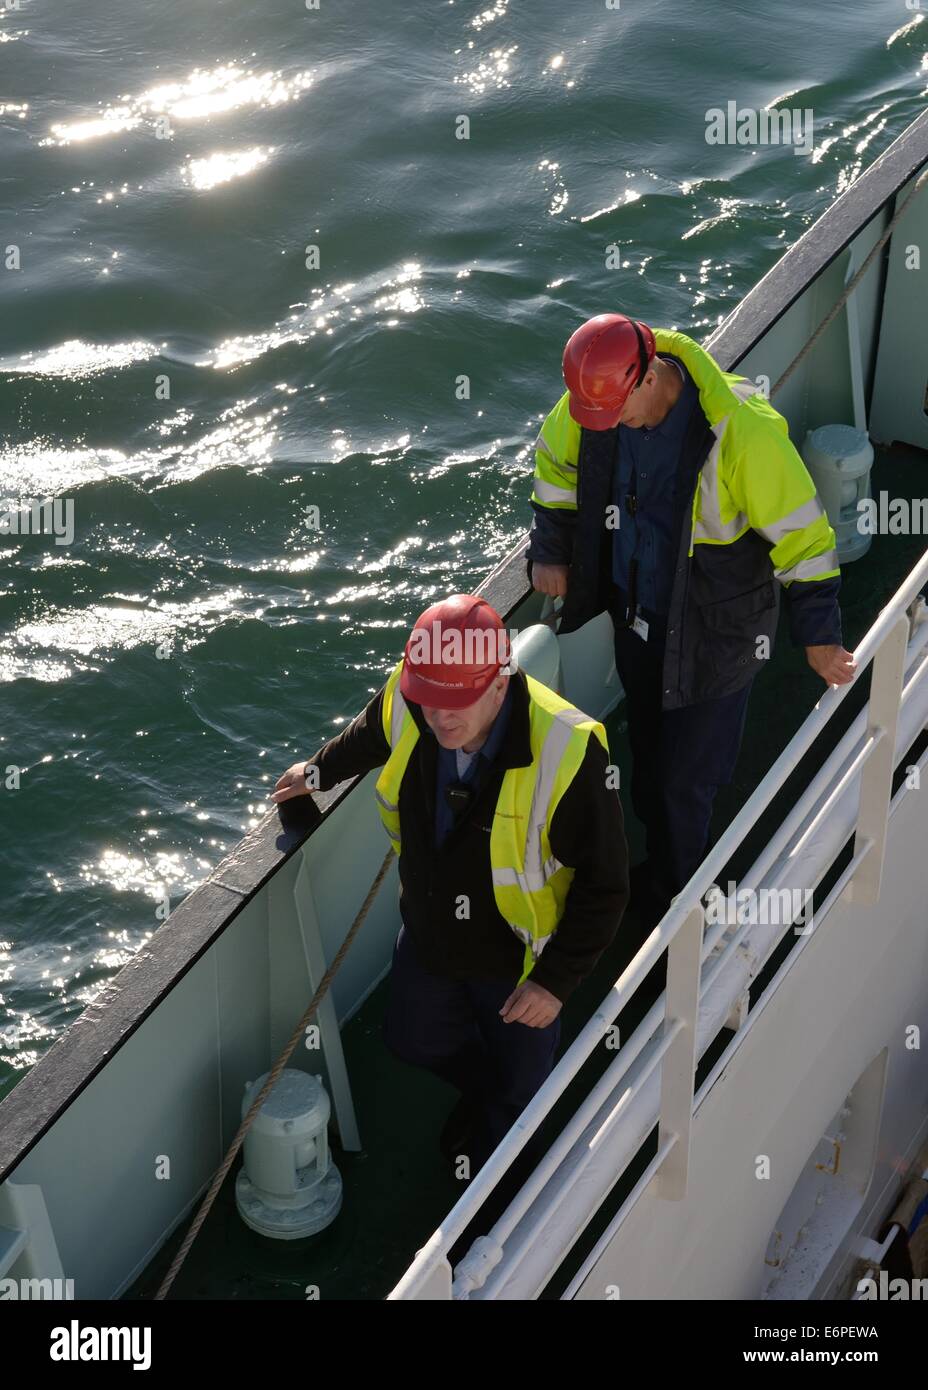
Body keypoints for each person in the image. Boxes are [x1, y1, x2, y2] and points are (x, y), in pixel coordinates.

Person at [273, 592, 629, 1175]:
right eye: (430, 700)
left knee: (521, 1095)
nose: (439, 718)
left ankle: (501, 1186)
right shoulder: (418, 695)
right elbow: (373, 728)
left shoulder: (569, 752)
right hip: (431, 928)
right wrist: (317, 771)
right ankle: (490, 1097)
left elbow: (606, 886)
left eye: (456, 702)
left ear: (500, 680)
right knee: (411, 1037)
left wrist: (554, 983)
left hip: (517, 960)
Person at [527, 313, 857, 922]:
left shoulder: (742, 433)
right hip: (638, 620)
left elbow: (804, 537)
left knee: (687, 780)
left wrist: (818, 635)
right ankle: (664, 863)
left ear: (648, 376)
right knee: (649, 757)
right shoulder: (593, 403)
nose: (603, 427)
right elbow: (554, 467)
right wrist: (549, 547)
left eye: (613, 414)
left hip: (718, 638)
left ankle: (675, 902)